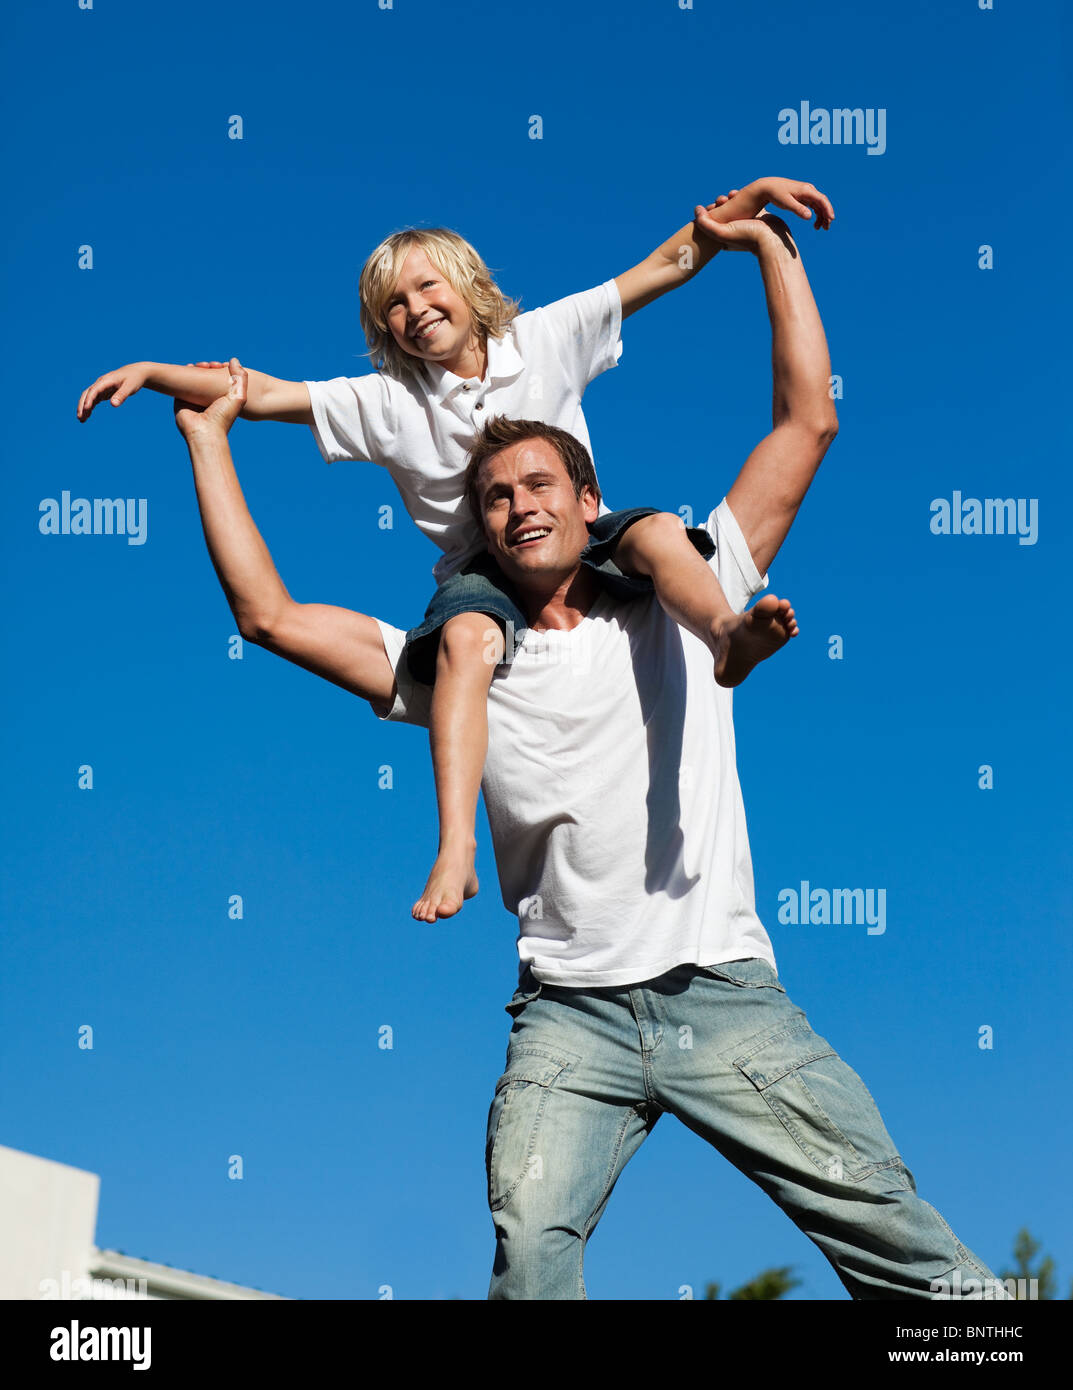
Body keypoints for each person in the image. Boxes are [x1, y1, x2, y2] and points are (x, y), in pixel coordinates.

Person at [168, 209, 1010, 1301]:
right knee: (530, 1252)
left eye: (539, 486)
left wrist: (767, 250)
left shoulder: (675, 587)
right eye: (495, 495)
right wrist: (208, 441)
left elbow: (807, 425)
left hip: (723, 992)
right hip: (568, 1016)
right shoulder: (458, 657)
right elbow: (270, 616)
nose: (518, 505)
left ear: (588, 502)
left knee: (906, 1250)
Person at [76, 178, 834, 925]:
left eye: (425, 289)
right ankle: (454, 844)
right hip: (477, 580)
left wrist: (753, 216)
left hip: (602, 544)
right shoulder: (388, 399)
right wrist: (154, 377)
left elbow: (669, 263)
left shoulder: (542, 339)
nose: (413, 312)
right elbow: (260, 395)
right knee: (466, 641)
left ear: (470, 285)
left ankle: (724, 634)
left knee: (663, 536)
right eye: (392, 309)